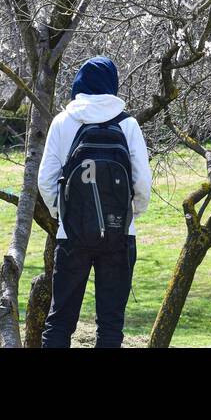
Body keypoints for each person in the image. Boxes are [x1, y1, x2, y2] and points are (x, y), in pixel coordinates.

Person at [37, 56, 152, 348]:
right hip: (119, 235)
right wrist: (129, 215)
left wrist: (63, 215)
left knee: (60, 321)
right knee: (111, 325)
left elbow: (46, 180)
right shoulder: (128, 124)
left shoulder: (63, 122)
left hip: (72, 236)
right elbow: (142, 184)